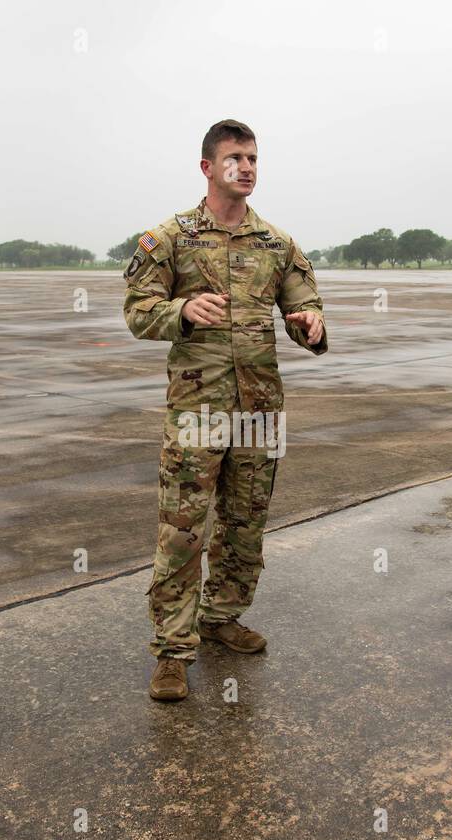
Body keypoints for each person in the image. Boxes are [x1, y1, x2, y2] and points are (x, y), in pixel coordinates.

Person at [124, 119, 327, 702]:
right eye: (235, 157)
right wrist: (182, 311)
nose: (247, 167)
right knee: (183, 530)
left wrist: (310, 324)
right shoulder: (170, 238)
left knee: (245, 525)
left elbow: (306, 304)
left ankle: (221, 617)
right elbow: (139, 312)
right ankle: (171, 650)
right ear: (207, 167)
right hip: (197, 410)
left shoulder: (277, 244)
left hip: (259, 409)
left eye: (254, 158)